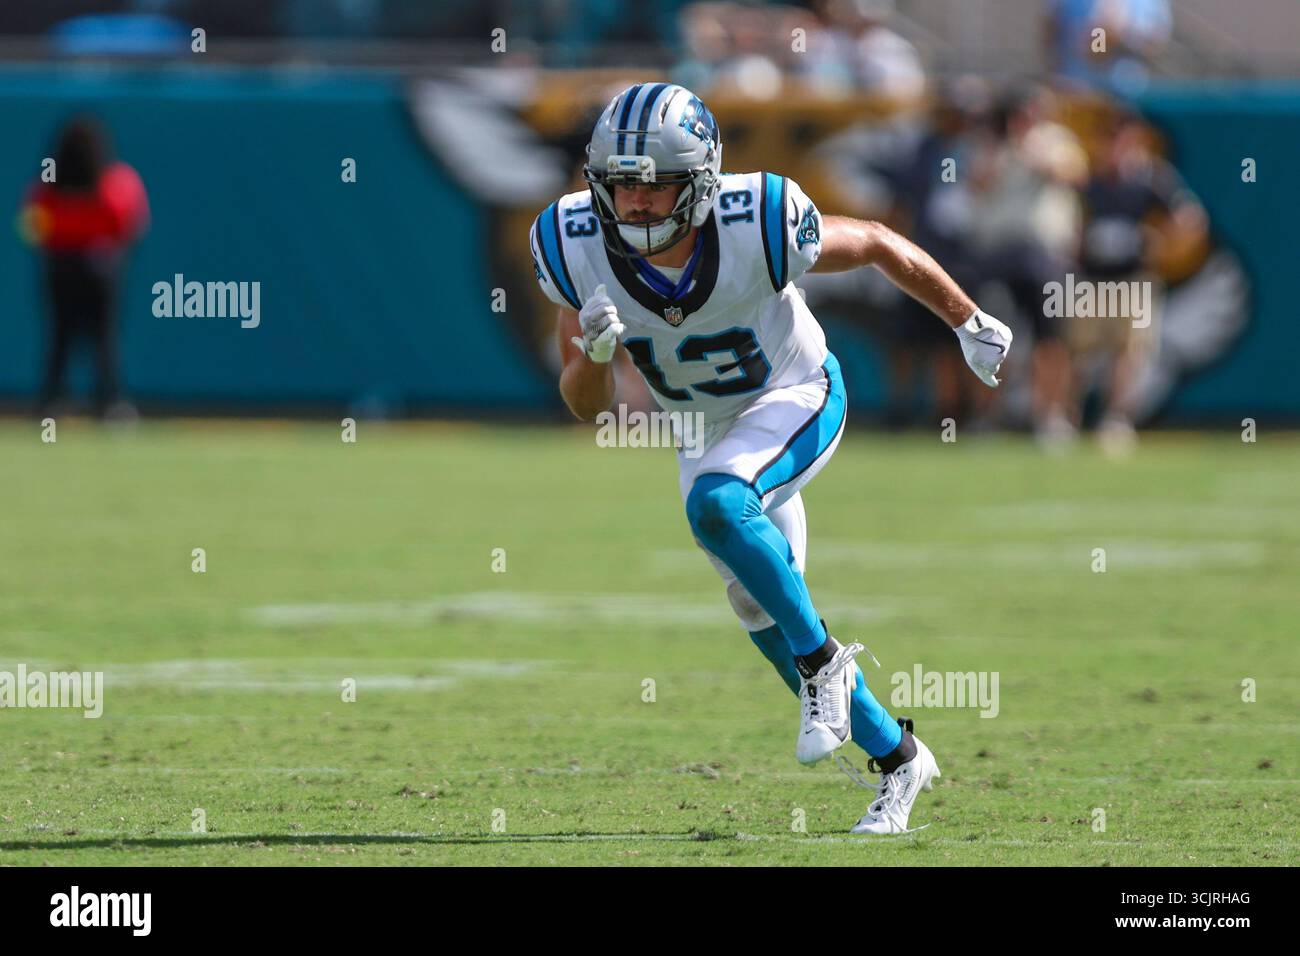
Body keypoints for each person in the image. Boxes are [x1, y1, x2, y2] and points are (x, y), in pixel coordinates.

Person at [528, 84, 1011, 834]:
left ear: (701, 183)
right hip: (703, 428)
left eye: (658, 187)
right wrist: (593, 355)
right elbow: (585, 406)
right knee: (761, 605)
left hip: (798, 394)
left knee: (718, 506)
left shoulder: (760, 219)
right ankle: (901, 759)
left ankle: (826, 666)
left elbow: (879, 241)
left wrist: (968, 320)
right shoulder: (573, 242)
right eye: (624, 185)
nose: (639, 205)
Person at [19, 115, 149, 419]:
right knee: (101, 338)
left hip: (64, 268)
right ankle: (109, 404)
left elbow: (31, 227)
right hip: (99, 268)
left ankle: (54, 404)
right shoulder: (114, 181)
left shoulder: (50, 186)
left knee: (63, 338)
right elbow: (132, 224)